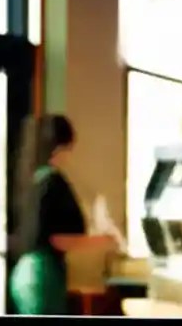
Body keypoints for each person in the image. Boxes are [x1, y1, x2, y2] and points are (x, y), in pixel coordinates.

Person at [8, 115, 115, 315]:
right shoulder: (53, 182)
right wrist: (105, 239)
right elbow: (57, 239)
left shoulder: (31, 181)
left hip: (23, 276)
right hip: (43, 278)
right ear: (60, 147)